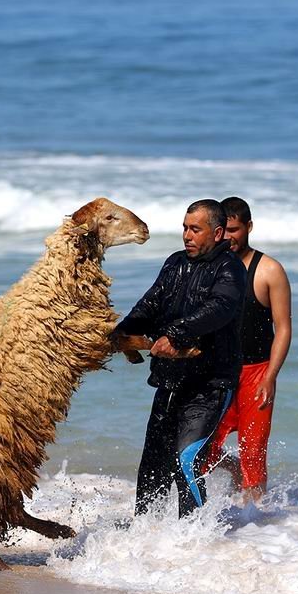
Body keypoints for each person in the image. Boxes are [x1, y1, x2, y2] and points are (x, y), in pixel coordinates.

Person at [114, 199, 246, 517]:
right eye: (185, 228)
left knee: (185, 461)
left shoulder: (230, 269)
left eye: (195, 229)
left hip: (210, 384)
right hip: (171, 381)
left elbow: (219, 309)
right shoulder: (175, 264)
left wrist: (174, 336)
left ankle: (197, 539)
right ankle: (146, 535)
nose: (187, 235)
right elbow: (150, 304)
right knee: (152, 468)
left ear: (216, 233)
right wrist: (122, 333)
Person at [202, 197, 292, 504]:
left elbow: (283, 328)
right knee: (201, 450)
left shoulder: (269, 271)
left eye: (235, 230)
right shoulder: (208, 268)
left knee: (253, 453)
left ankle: (256, 524)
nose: (228, 237)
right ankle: (232, 470)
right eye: (223, 231)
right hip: (217, 372)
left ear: (248, 227)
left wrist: (270, 376)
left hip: (256, 373)